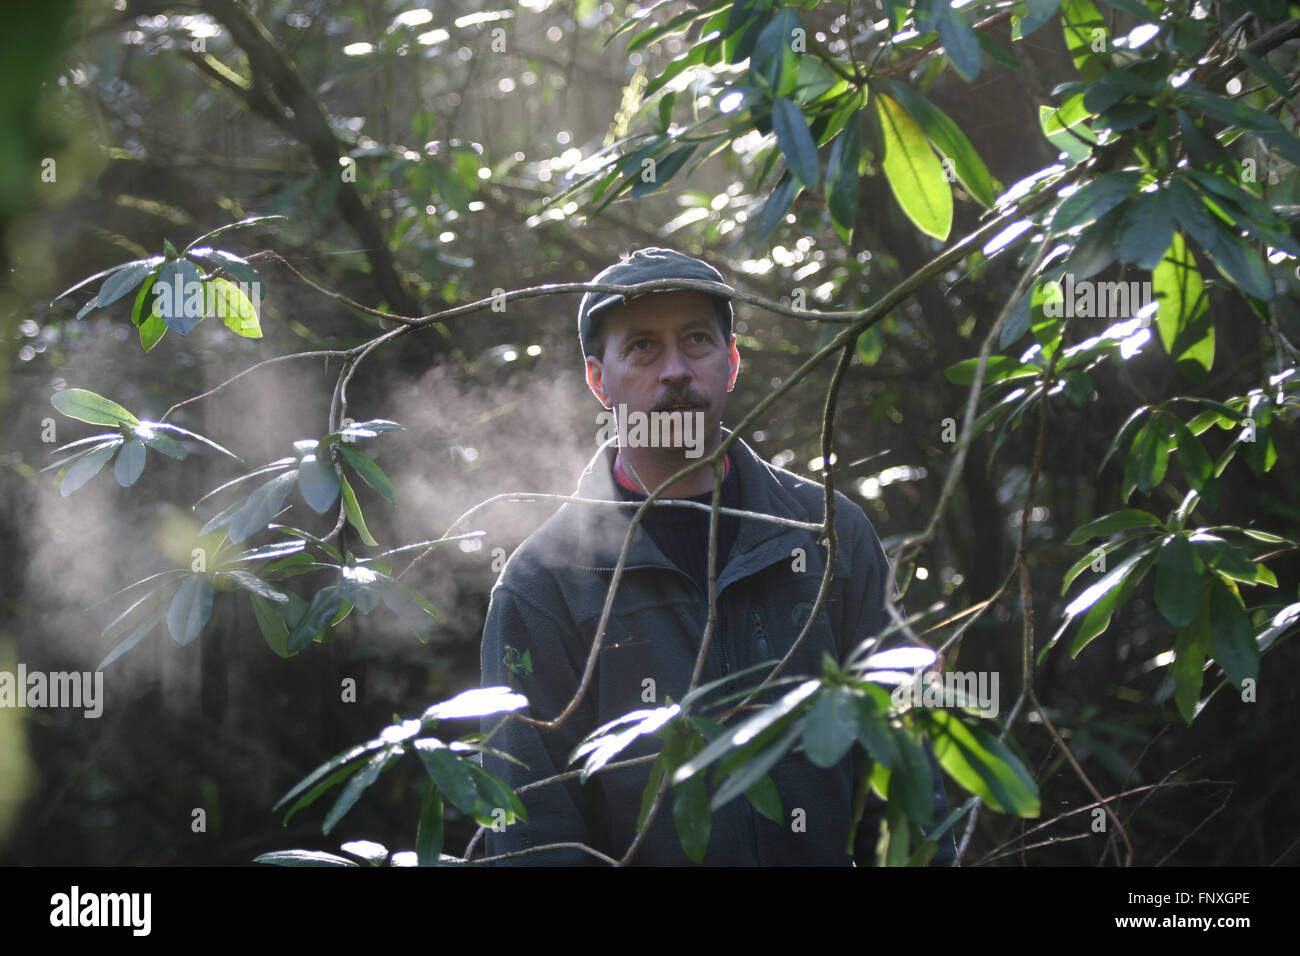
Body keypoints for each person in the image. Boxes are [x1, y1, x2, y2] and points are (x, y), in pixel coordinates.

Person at [479, 247, 956, 865]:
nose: (675, 369)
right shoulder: (544, 585)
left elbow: (904, 771)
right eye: (643, 347)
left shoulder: (824, 532)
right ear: (600, 380)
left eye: (697, 340)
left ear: (731, 363)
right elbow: (533, 834)